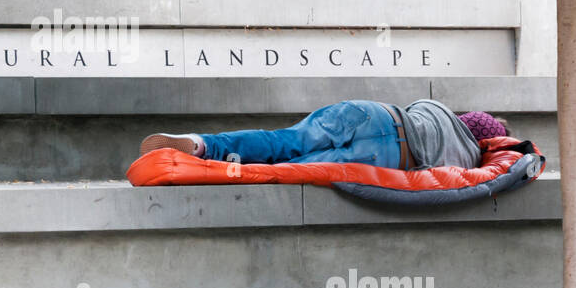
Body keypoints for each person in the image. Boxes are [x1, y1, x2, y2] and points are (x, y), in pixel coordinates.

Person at [140, 100, 509, 171]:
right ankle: (215, 165)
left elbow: (414, 107)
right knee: (292, 167)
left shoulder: (438, 108)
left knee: (282, 141)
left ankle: (203, 144)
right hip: (392, 155)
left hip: (374, 112)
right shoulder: (469, 157)